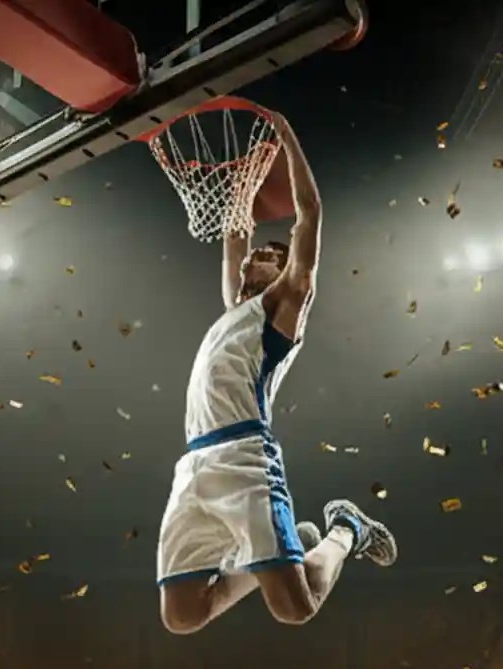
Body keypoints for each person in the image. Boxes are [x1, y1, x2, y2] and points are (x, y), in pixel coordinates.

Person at [156, 113, 397, 634]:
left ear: (286, 271)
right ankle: (280, 549)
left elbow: (310, 215)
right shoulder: (235, 309)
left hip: (243, 457)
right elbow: (234, 232)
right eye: (252, 256)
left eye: (267, 255)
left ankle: (345, 530)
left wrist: (285, 137)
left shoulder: (283, 307)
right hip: (194, 463)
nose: (251, 258)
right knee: (182, 615)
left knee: (295, 608)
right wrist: (242, 183)